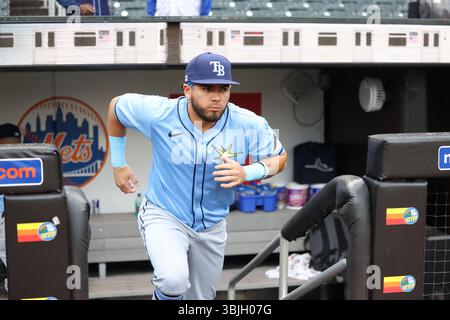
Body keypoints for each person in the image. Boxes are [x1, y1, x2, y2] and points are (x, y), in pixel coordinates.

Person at [107, 52, 287, 300]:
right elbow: (116, 106)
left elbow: (279, 158)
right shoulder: (159, 112)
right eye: (206, 88)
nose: (216, 97)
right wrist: (118, 164)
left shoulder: (247, 123)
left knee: (200, 301)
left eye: (223, 88)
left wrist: (247, 172)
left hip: (212, 225)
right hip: (165, 213)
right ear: (188, 90)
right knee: (173, 280)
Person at [0, 124, 22, 289]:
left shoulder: (24, 163)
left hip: (15, 216)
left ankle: (16, 286)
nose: (12, 148)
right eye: (7, 144)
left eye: (16, 143)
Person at [147, 0, 211, 16]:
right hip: (161, 21)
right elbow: (151, 1)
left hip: (190, 21)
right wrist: (151, 17)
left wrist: (203, 18)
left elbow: (206, 2)